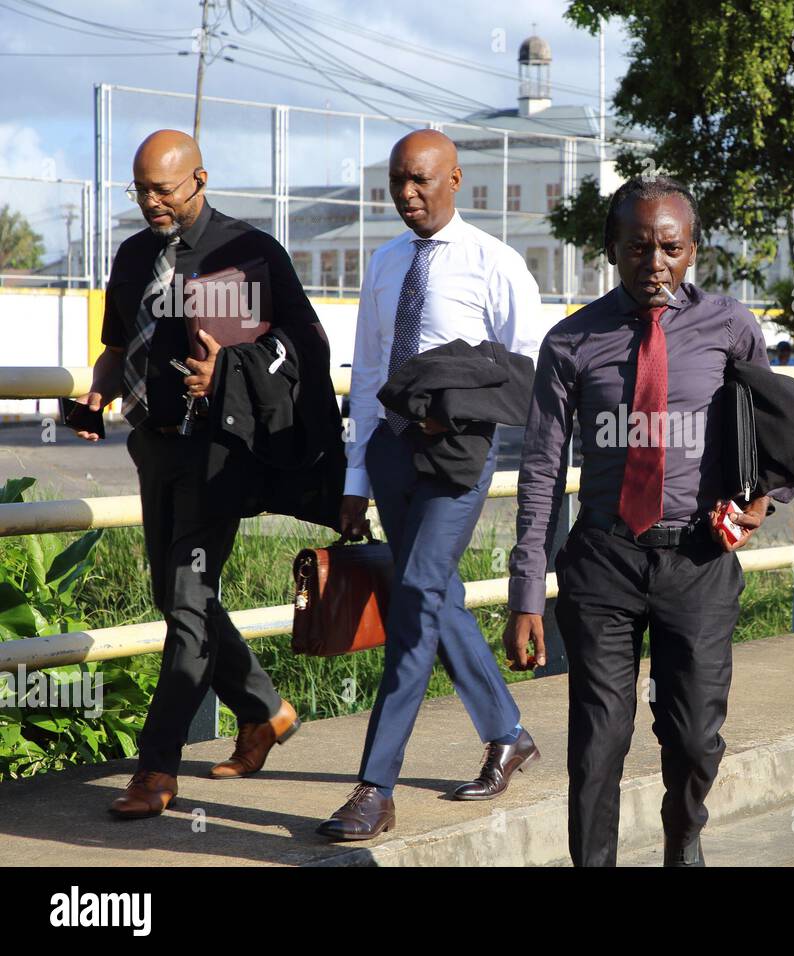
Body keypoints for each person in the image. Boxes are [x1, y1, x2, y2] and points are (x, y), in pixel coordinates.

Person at [504, 176, 791, 867]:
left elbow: (780, 433)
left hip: (698, 560)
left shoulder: (731, 329)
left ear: (692, 250)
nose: (654, 263)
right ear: (612, 250)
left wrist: (754, 509)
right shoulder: (571, 341)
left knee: (694, 739)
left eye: (669, 247)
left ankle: (681, 839)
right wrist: (525, 595)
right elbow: (541, 470)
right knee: (599, 743)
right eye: (638, 248)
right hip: (603, 558)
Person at [76, 130, 325, 819]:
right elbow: (118, 347)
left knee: (186, 604)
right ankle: (265, 711)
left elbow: (301, 345)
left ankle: (156, 769)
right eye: (141, 189)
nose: (152, 201)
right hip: (153, 448)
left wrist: (231, 373)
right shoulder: (131, 257)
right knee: (175, 594)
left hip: (219, 454)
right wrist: (97, 392)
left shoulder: (248, 253)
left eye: (164, 188)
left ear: (200, 178)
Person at [317, 130, 547, 841]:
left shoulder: (495, 264)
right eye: (396, 181)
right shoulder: (384, 263)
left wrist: (464, 411)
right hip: (389, 454)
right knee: (433, 590)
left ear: (454, 179)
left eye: (420, 180)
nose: (406, 194)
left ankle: (374, 786)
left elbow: (529, 370)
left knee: (415, 597)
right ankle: (508, 732)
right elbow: (365, 370)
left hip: (456, 459)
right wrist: (355, 475)